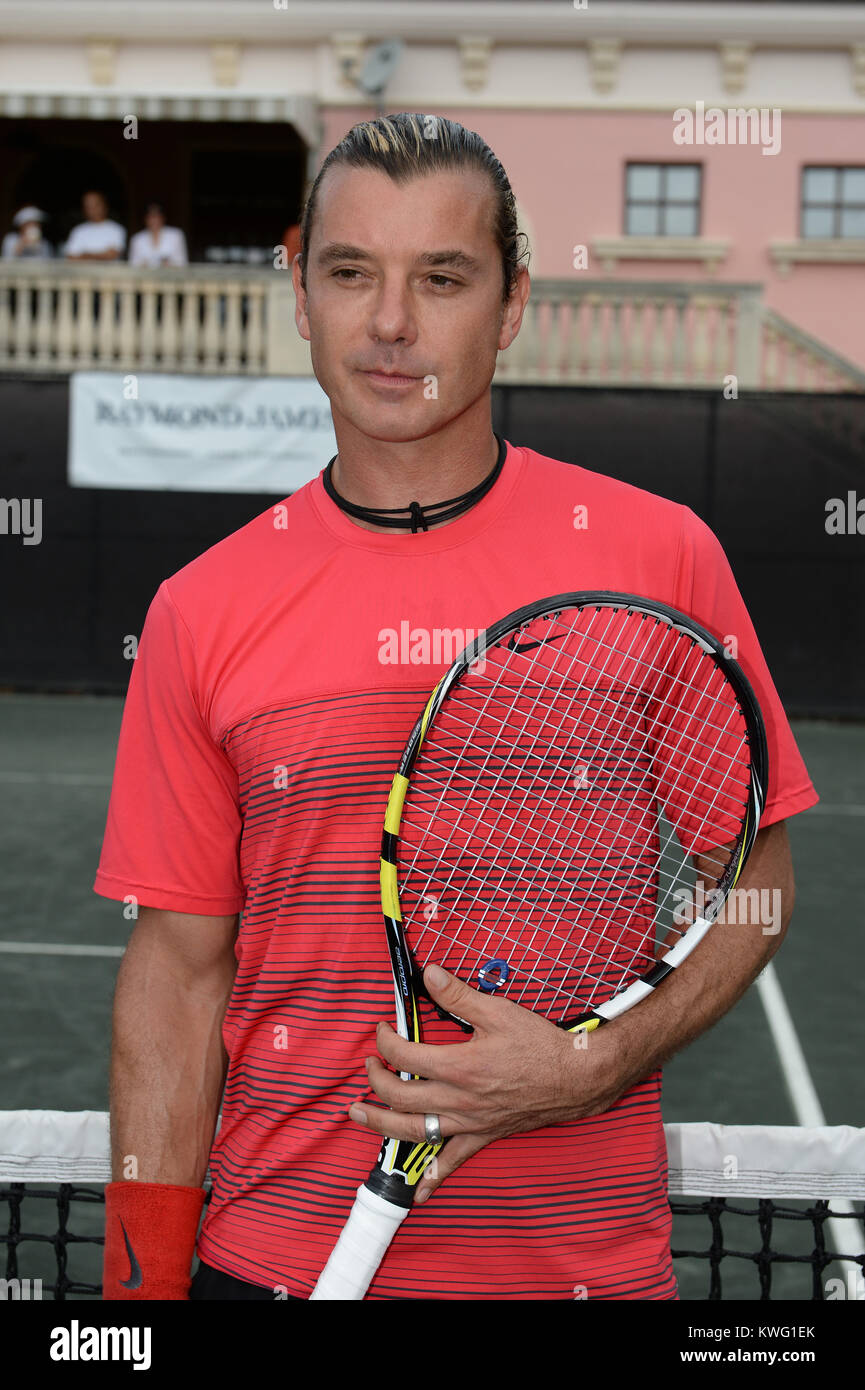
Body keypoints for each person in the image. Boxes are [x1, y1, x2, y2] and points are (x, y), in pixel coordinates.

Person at [95, 113, 818, 1301]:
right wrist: (134, 1305)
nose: (390, 323)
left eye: (441, 277)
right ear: (301, 295)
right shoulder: (198, 607)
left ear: (512, 302)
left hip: (583, 1275)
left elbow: (753, 882)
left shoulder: (662, 554)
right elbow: (175, 979)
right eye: (349, 273)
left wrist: (597, 1063)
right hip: (266, 1264)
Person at [64, 190, 126, 261]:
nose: (92, 209)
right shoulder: (78, 230)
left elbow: (112, 255)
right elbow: (71, 256)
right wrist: (101, 254)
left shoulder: (116, 229)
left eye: (96, 205)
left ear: (104, 206)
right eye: (88, 206)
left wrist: (84, 255)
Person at [128, 202, 188, 268]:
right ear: (145, 219)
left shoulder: (176, 235)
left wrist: (167, 264)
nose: (154, 220)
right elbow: (133, 264)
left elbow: (182, 262)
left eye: (157, 217)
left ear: (163, 218)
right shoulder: (137, 239)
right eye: (150, 217)